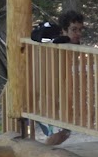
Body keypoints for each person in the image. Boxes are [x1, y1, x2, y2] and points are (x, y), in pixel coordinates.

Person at [31, 10, 85, 145]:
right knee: (58, 132)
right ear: (63, 30)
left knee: (64, 131)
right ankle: (42, 155)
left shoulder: (72, 46)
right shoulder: (56, 44)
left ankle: (43, 153)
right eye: (74, 30)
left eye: (80, 29)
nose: (78, 33)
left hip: (60, 95)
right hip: (46, 93)